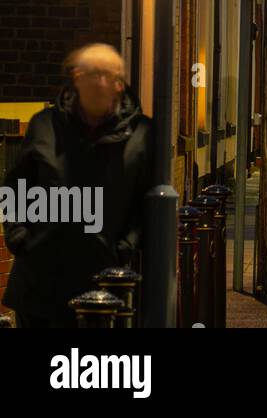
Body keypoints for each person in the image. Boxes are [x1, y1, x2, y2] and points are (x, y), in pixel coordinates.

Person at [1, 43, 154, 327]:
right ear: (76, 79)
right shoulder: (44, 125)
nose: (95, 80)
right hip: (39, 284)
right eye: (85, 73)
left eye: (102, 73)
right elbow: (15, 186)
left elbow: (146, 203)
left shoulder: (141, 134)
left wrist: (123, 248)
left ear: (119, 83)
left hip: (101, 287)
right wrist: (20, 238)